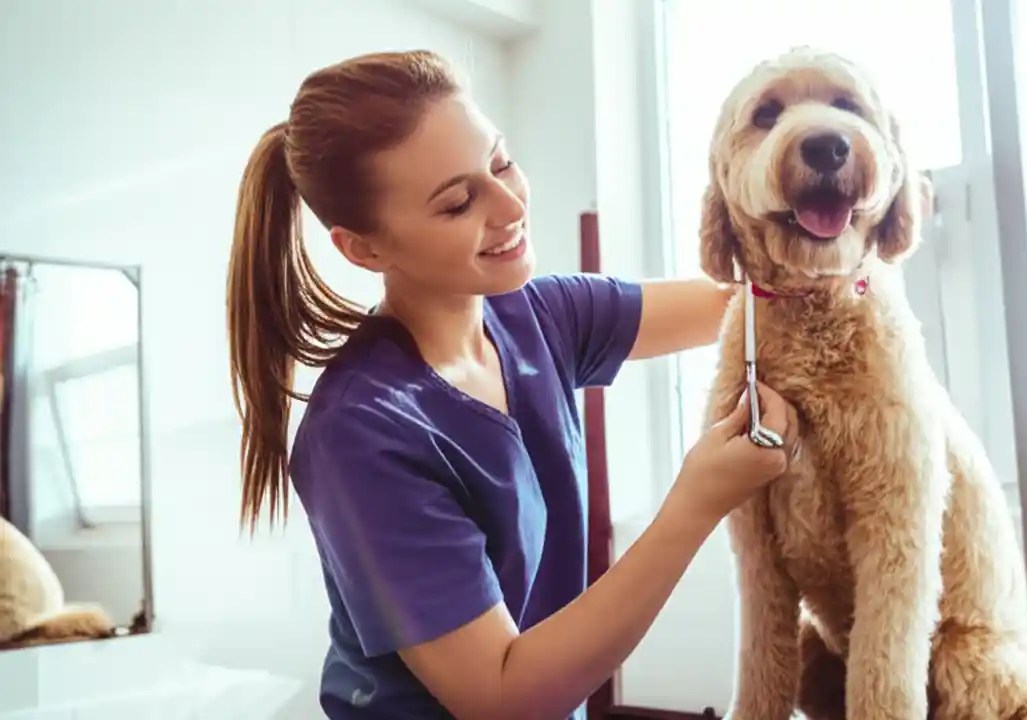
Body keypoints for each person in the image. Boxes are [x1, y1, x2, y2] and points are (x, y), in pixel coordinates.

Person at [225, 49, 797, 720]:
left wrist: (836, 249)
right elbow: (502, 697)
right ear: (365, 249)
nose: (509, 205)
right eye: (458, 202)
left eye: (500, 163)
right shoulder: (360, 434)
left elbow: (747, 306)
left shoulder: (539, 316)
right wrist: (698, 501)